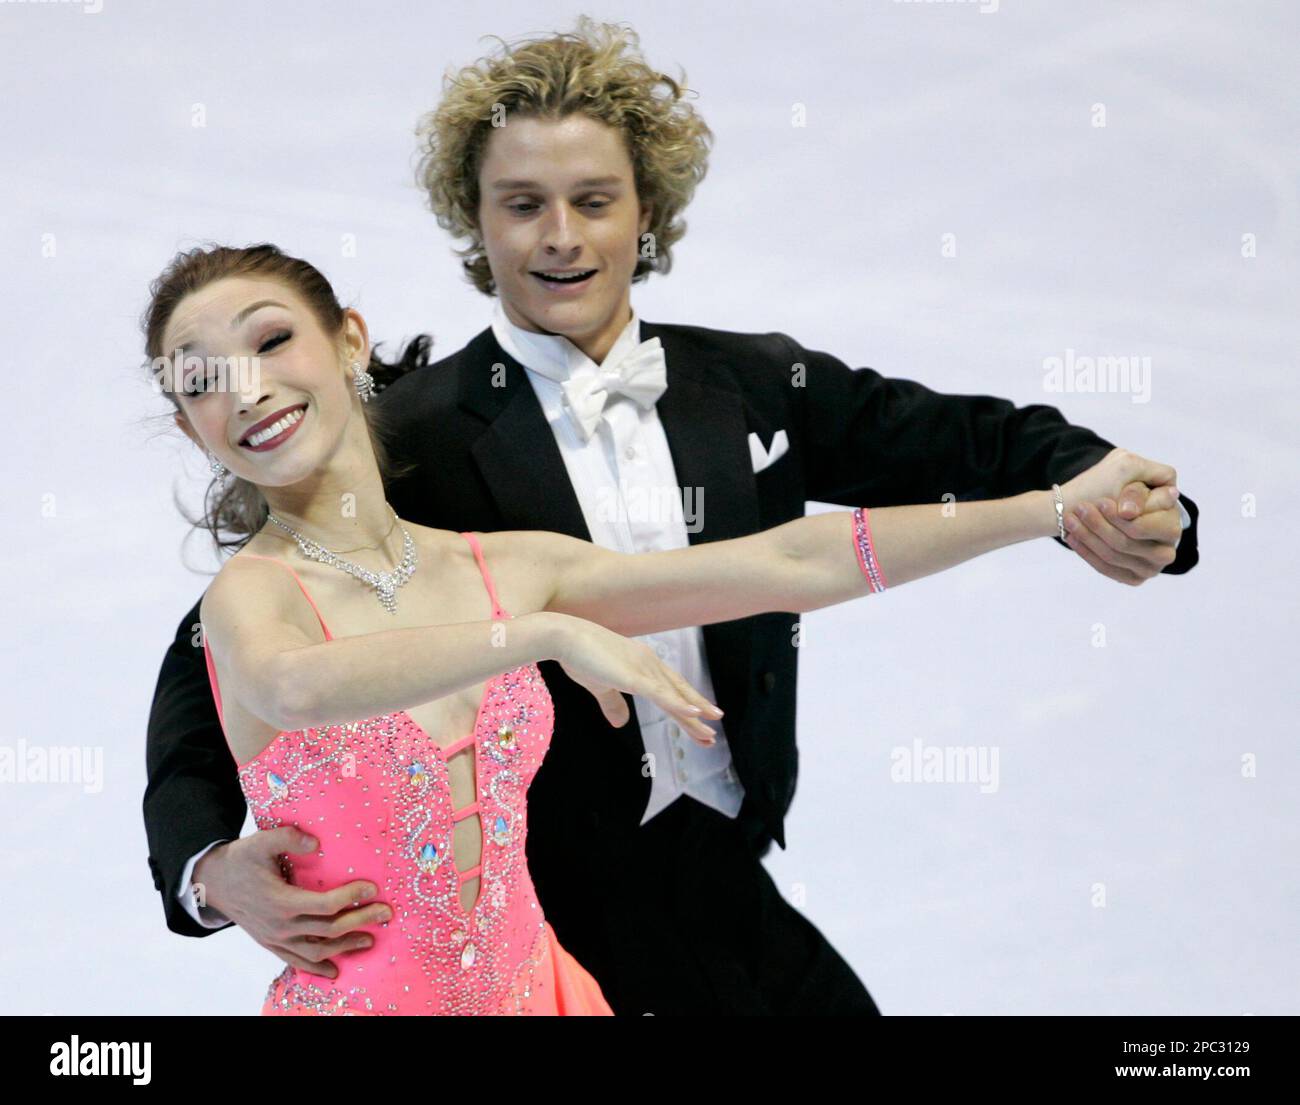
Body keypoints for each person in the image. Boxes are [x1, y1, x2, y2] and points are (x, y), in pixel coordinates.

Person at [143, 19, 1199, 1016]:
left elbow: (918, 466)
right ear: (477, 220)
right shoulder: (397, 438)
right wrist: (210, 867)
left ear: (646, 210)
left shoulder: (749, 382)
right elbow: (237, 674)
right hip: (537, 897)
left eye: (593, 200)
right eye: (521, 205)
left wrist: (1081, 498)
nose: (560, 238)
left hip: (717, 865)